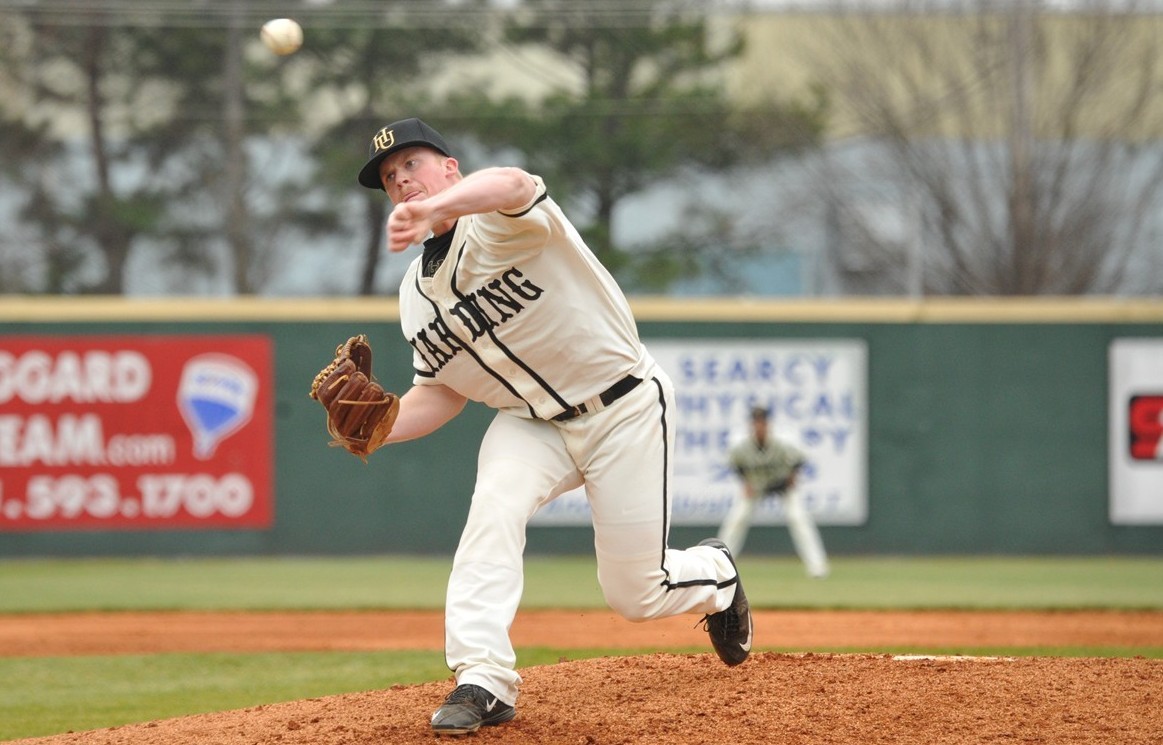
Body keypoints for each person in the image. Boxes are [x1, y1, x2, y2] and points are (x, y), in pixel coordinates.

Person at [355, 117, 752, 736]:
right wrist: (379, 425)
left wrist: (443, 206)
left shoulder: (499, 221)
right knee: (493, 508)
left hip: (622, 408)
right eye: (389, 176)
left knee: (635, 594)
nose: (401, 180)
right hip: (530, 422)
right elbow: (440, 393)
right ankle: (482, 678)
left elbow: (512, 182)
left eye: (413, 164)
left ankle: (717, 574)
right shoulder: (414, 294)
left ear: (451, 169)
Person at [719, 405, 830, 579]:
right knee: (736, 520)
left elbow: (800, 459)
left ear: (768, 424)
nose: (759, 425)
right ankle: (720, 567)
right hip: (756, 486)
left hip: (781, 485)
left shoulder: (782, 442)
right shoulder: (741, 445)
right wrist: (745, 482)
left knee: (798, 518)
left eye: (762, 421)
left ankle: (817, 567)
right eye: (756, 422)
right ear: (751, 424)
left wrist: (793, 475)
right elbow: (735, 464)